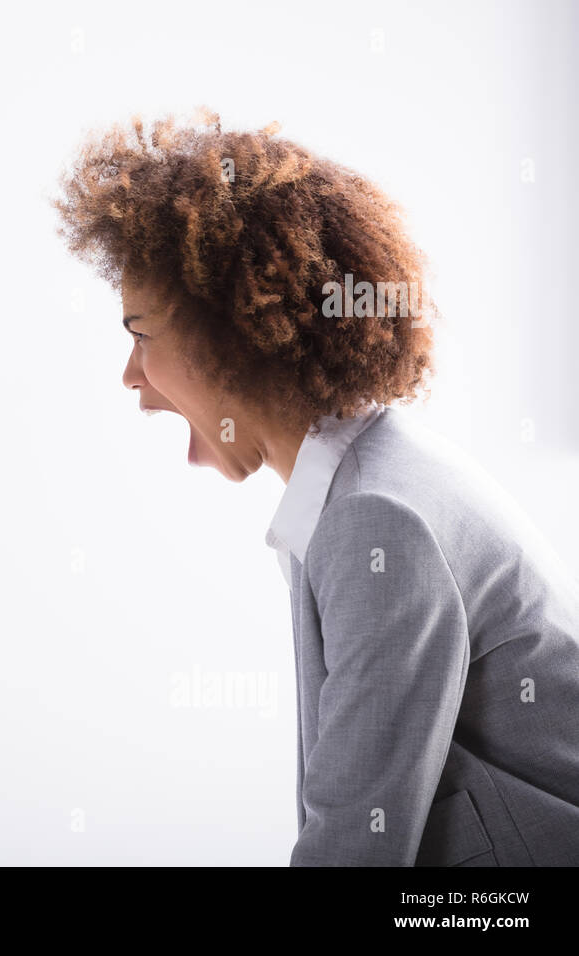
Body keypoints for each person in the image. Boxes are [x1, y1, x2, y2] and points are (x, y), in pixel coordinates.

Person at [53, 109, 579, 865]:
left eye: (140, 332)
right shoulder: (372, 485)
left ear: (230, 332)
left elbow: (356, 845)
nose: (131, 376)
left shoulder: (377, 520)